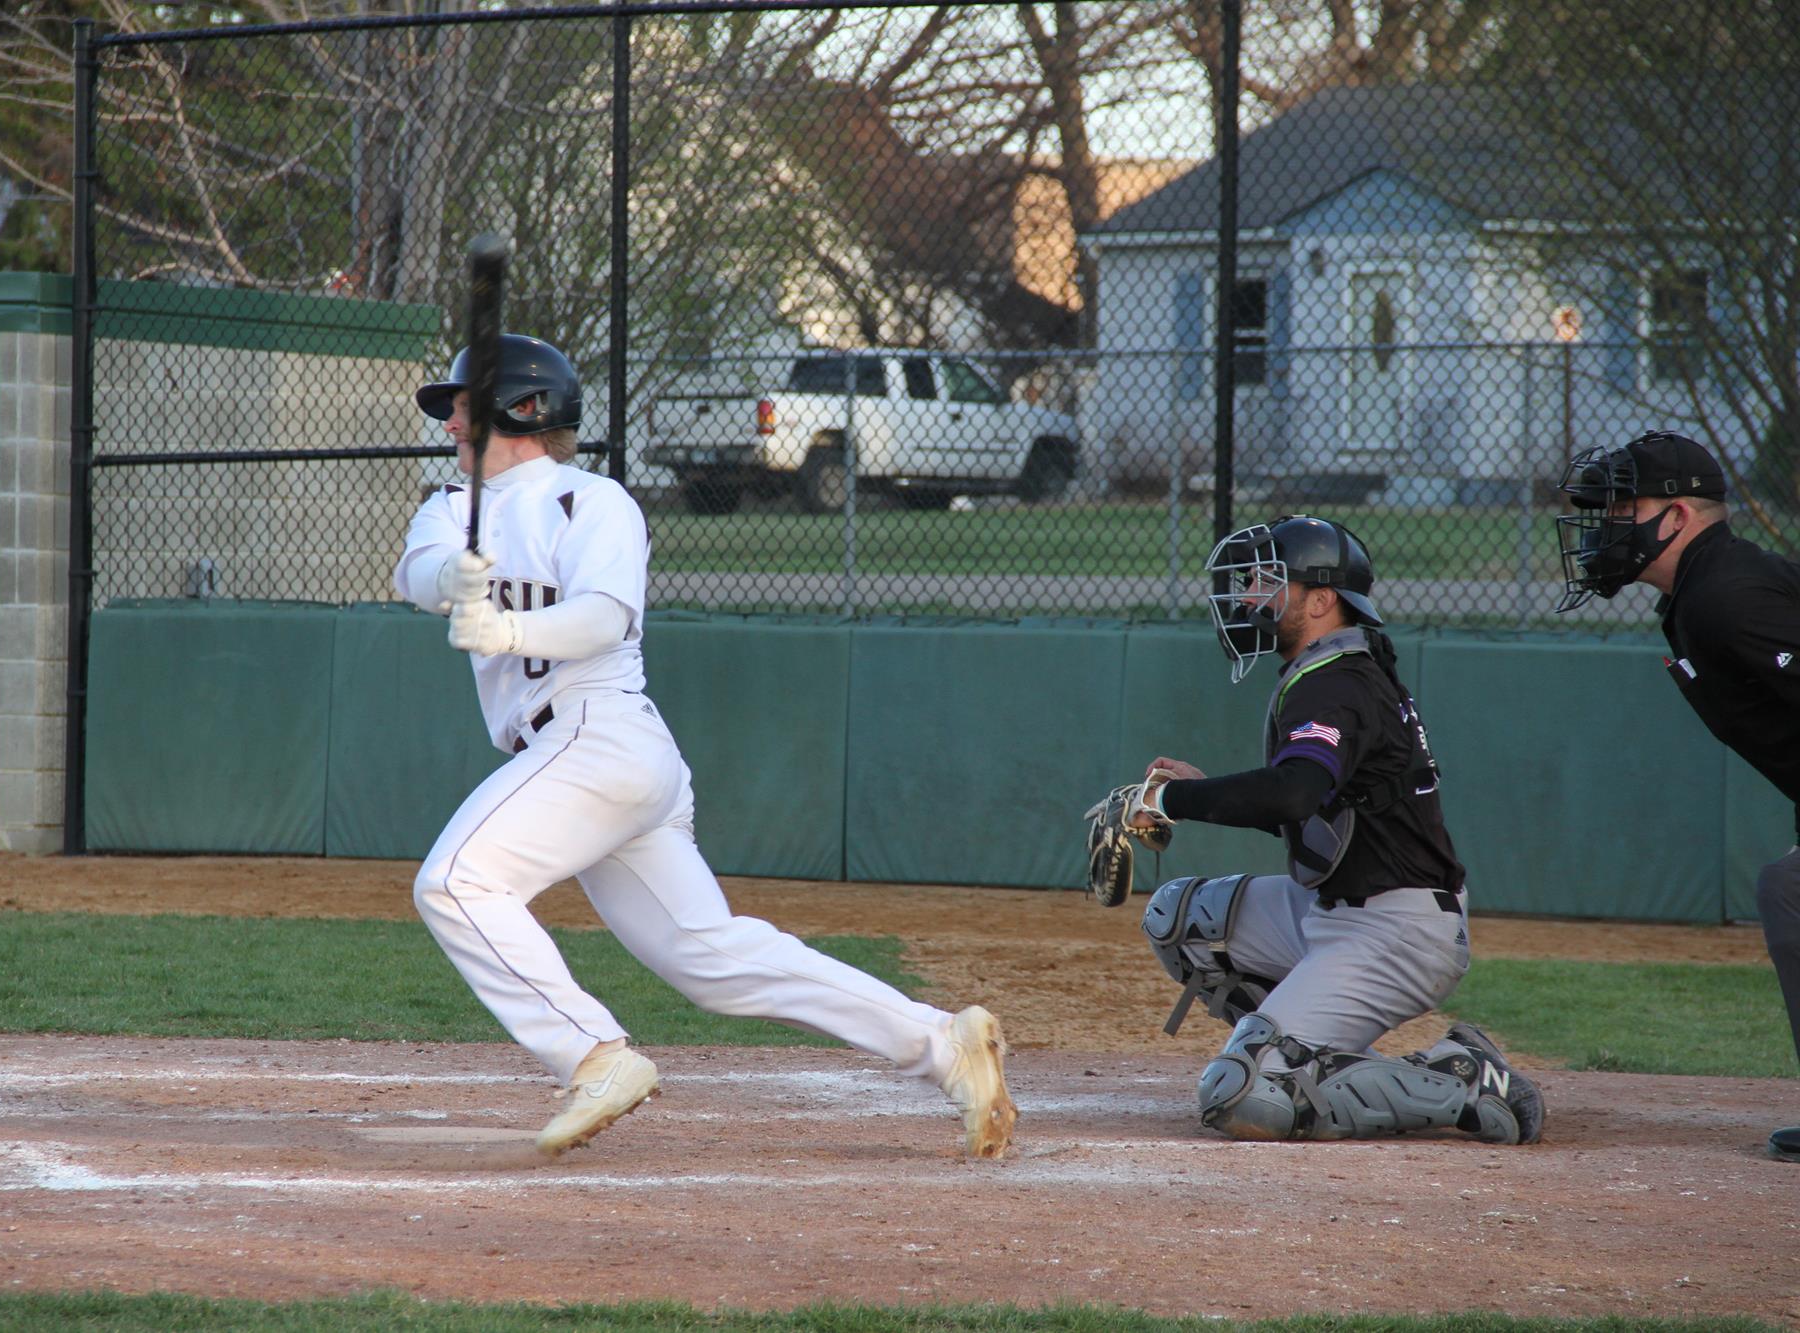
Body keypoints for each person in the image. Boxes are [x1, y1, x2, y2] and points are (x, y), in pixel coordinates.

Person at [391, 333, 1017, 1160]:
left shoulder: (594, 501)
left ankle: (593, 1055)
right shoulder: (450, 505)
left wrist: (506, 622)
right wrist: (452, 582)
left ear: (523, 408)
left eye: (465, 409)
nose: (451, 427)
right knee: (711, 958)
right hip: (582, 758)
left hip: (598, 730)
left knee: (456, 878)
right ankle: (946, 1043)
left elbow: (603, 618)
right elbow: (418, 567)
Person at [1102, 514, 1544, 1144]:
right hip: (1333, 908)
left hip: (1396, 933)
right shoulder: (1331, 669)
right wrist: (1197, 792)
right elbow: (1318, 814)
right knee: (1182, 921)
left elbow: (1293, 792)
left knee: (1243, 1101)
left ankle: (1459, 1079)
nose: (1248, 595)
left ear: (1320, 599)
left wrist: (1173, 798)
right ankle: (1291, 1051)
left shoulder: (1337, 681)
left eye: (1266, 581)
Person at [1556, 429, 1800, 1164]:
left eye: (1624, 509)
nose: (1606, 529)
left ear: (1682, 515)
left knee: (1788, 890)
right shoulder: (1704, 591)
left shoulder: (1725, 595)